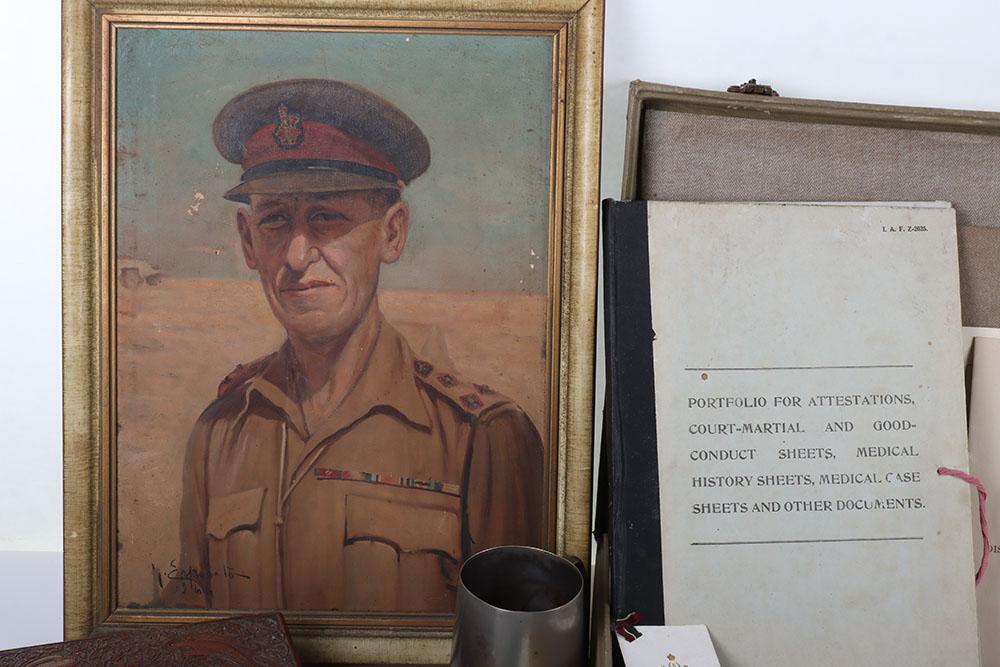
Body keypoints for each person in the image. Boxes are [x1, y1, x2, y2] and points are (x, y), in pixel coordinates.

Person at [166, 79, 544, 612]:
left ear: (392, 233)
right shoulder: (219, 432)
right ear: (248, 241)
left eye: (326, 217)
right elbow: (191, 627)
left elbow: (518, 644)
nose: (297, 255)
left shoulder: (480, 439)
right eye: (275, 220)